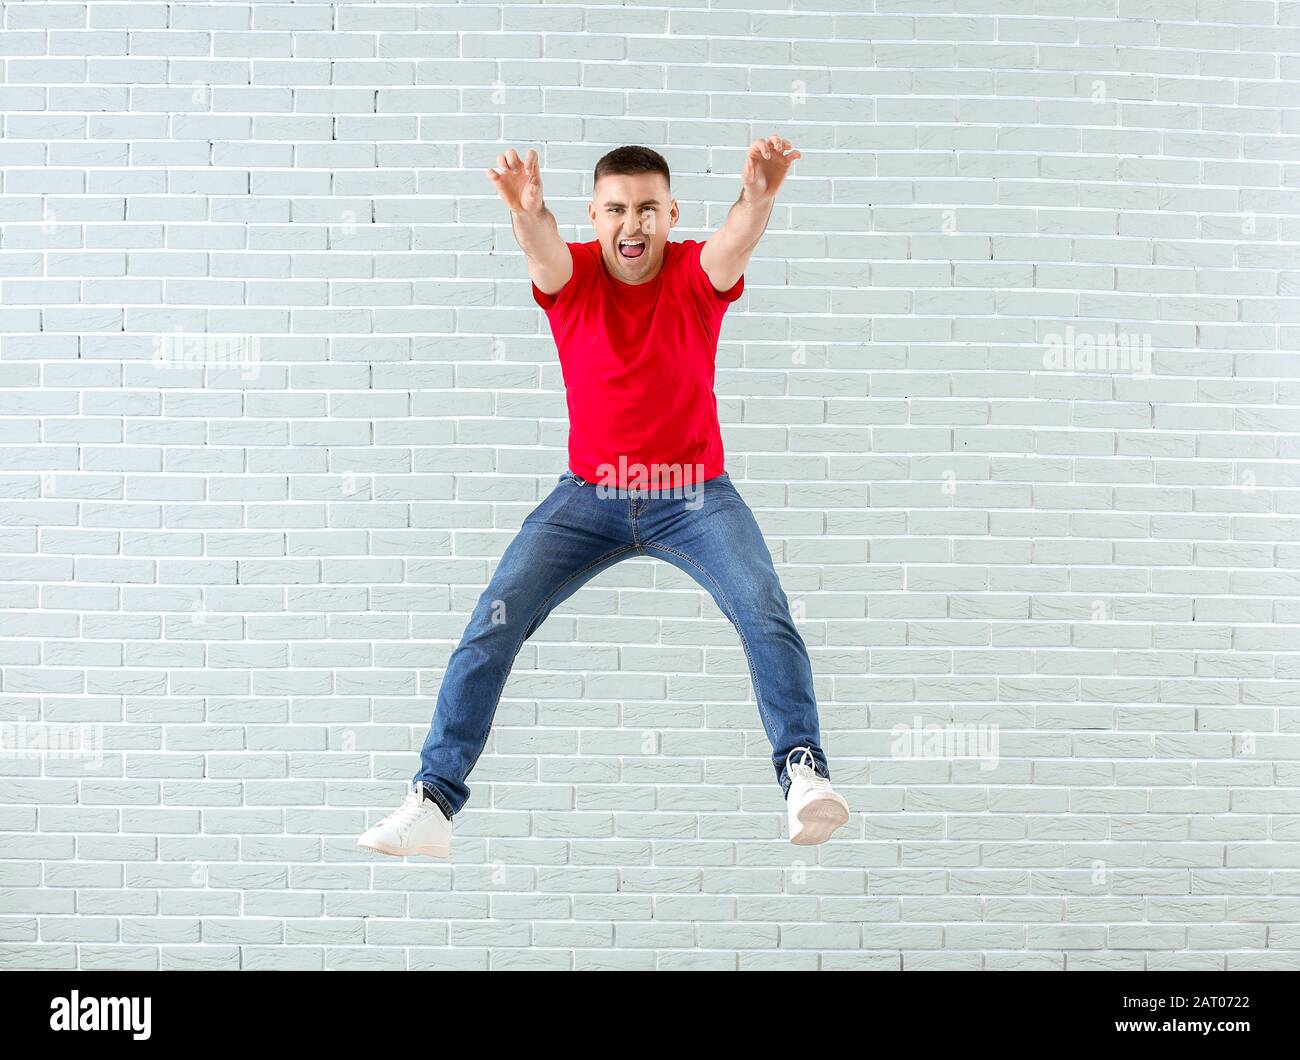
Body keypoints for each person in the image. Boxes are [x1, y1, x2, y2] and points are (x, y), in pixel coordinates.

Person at [358, 139, 849, 860]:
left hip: (693, 495)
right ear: (595, 216)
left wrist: (760, 199)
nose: (634, 224)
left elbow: (736, 240)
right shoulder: (577, 273)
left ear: (671, 213)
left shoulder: (692, 271)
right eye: (617, 209)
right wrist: (529, 213)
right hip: (589, 495)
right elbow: (543, 251)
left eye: (649, 209)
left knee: (763, 607)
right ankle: (433, 799)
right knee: (493, 621)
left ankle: (802, 772)